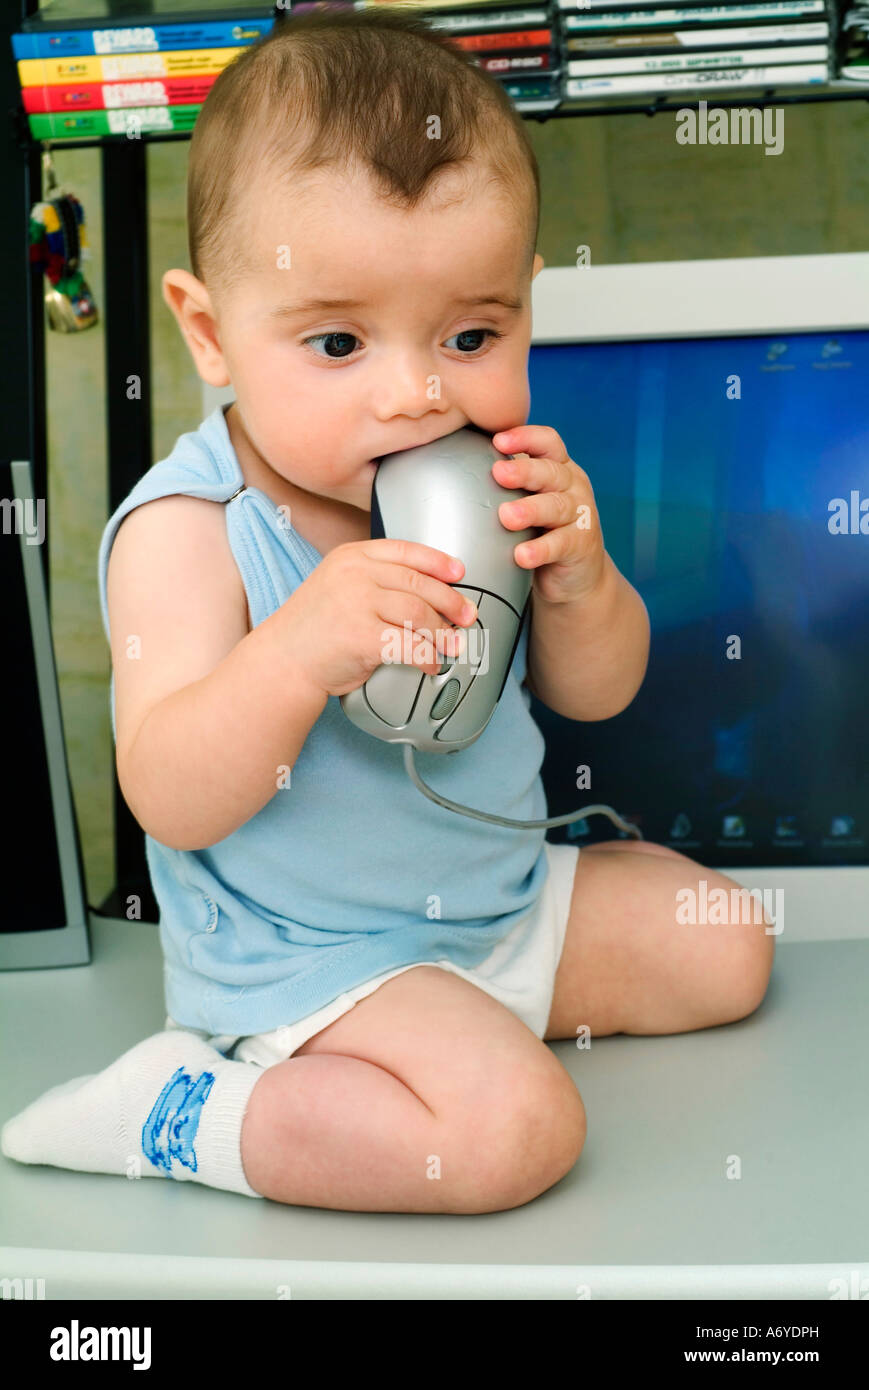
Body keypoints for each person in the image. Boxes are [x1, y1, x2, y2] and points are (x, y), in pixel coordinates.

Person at [2, 9, 774, 1214]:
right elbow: (169, 787)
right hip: (309, 963)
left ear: (526, 299)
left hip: (501, 903)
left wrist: (579, 580)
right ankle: (183, 1106)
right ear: (208, 333)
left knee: (722, 940)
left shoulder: (495, 480)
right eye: (339, 341)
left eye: (471, 334)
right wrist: (299, 648)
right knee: (511, 1132)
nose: (416, 394)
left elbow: (593, 693)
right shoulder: (187, 529)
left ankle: (464, 1023)